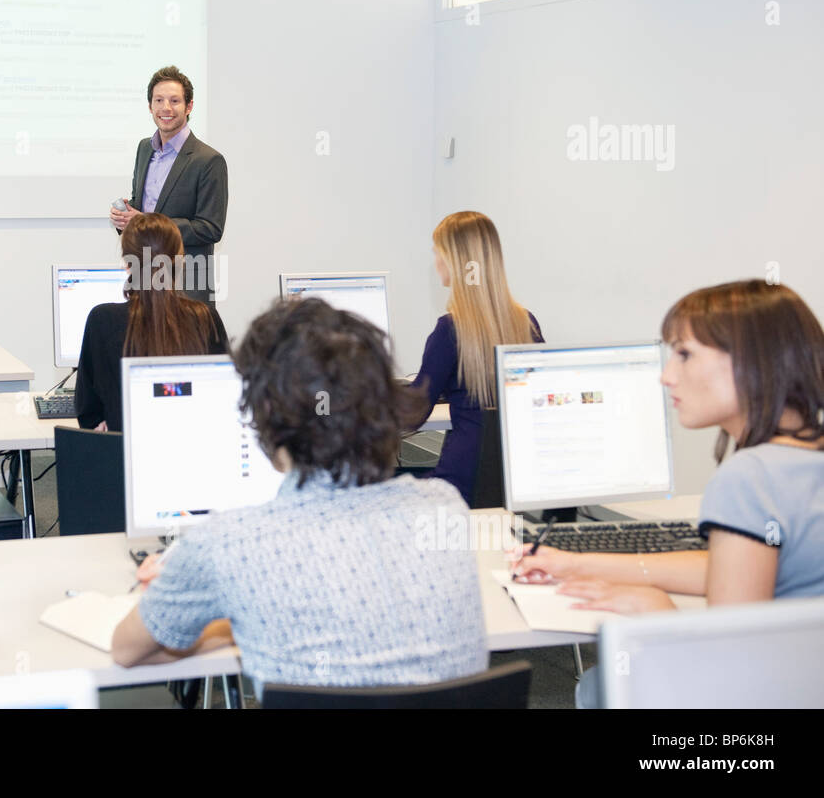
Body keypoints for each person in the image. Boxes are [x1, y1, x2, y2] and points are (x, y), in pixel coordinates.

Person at [110, 298, 488, 687]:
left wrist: (224, 611)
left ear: (264, 417)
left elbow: (126, 650)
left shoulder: (225, 545)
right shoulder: (446, 510)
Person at [511, 280, 824, 705]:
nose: (666, 375)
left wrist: (654, 608)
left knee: (597, 687)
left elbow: (729, 665)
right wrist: (576, 563)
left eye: (684, 354)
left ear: (751, 361)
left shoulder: (749, 479)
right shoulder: (803, 462)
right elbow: (725, 570)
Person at [407, 211, 543, 504]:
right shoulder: (526, 323)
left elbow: (410, 416)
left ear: (454, 260)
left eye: (438, 253)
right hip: (515, 487)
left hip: (458, 487)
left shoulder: (449, 331)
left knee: (385, 487)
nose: (436, 262)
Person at [75, 212, 228, 433]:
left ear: (127, 263)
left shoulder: (102, 320)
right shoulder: (205, 318)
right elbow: (223, 399)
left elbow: (88, 414)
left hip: (125, 460)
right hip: (194, 458)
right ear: (180, 260)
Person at [109, 66, 227, 303]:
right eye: (159, 100)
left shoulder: (209, 160)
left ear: (189, 106)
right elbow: (142, 205)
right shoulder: (145, 149)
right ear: (150, 106)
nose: (166, 108)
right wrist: (126, 217)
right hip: (144, 279)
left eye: (175, 101)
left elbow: (210, 228)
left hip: (187, 284)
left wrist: (146, 222)